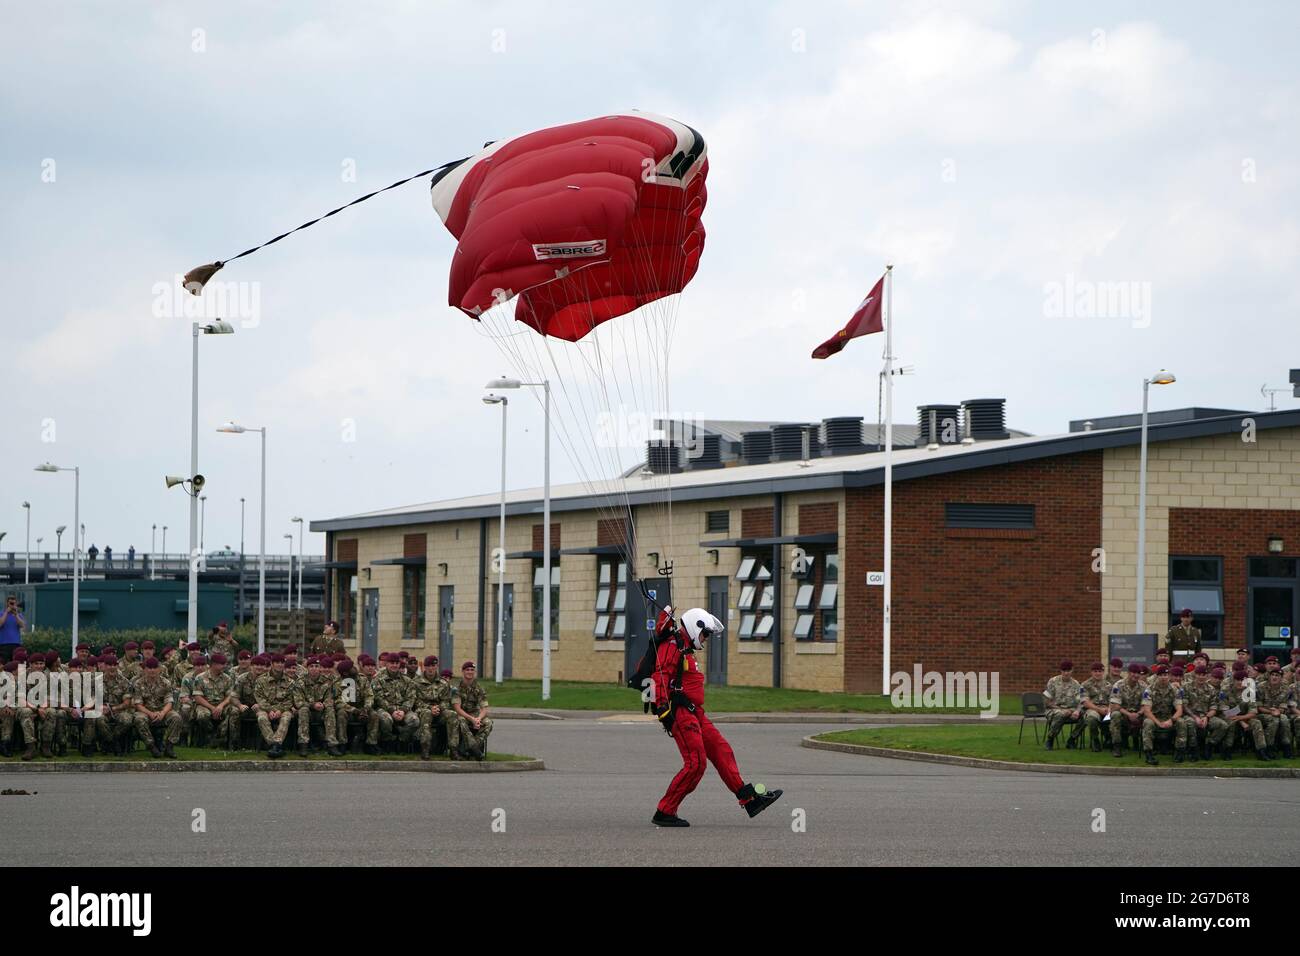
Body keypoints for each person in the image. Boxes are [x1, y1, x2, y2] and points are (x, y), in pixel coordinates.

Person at [650, 607, 783, 827]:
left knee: (721, 749)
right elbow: (660, 676)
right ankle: (665, 811)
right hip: (681, 712)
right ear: (695, 627)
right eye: (705, 634)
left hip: (695, 712)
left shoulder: (685, 647)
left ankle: (749, 799)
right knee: (696, 764)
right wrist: (664, 711)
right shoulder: (672, 646)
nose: (706, 639)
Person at [294, 657, 343, 757]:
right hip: (308, 711)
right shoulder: (300, 682)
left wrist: (323, 704)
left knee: (330, 709)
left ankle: (332, 745)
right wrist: (313, 705)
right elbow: (298, 701)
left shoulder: (327, 682)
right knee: (303, 710)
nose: (314, 668)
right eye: (311, 666)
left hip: (321, 711)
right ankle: (303, 745)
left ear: (320, 668)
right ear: (307, 668)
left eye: (316, 666)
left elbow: (330, 698)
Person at [369, 655, 417, 754]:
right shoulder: (378, 679)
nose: (394, 665)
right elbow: (378, 698)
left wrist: (403, 711)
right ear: (386, 664)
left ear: (399, 664)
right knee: (386, 719)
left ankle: (401, 741)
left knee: (414, 720)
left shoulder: (407, 680)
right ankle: (388, 742)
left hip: (403, 709)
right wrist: (392, 711)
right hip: (384, 709)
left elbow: (411, 697)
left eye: (396, 663)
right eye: (392, 663)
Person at [1219, 666, 1269, 760]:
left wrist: (1241, 718)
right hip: (1228, 716)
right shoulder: (1225, 690)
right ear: (1233, 680)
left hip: (1246, 717)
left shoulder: (1250, 692)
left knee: (1256, 723)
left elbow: (1253, 712)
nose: (1239, 682)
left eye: (1242, 680)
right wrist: (1241, 721)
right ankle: (1227, 749)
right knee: (1231, 723)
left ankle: (1261, 750)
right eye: (1237, 680)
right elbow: (1224, 710)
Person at [253, 654, 297, 758]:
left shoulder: (290, 682)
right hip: (265, 708)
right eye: (277, 662)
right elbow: (259, 697)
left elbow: (290, 699)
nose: (280, 665)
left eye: (282, 663)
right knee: (261, 718)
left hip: (284, 709)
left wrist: (279, 710)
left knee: (286, 717)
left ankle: (276, 745)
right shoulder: (261, 680)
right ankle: (274, 745)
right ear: (272, 664)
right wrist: (270, 710)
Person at [193, 653, 240, 750]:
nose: (224, 666)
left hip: (222, 705)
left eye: (224, 664)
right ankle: (210, 736)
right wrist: (212, 708)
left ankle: (229, 741)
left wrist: (221, 706)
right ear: (213, 664)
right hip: (205, 705)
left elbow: (230, 696)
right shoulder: (200, 678)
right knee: (202, 715)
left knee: (234, 711)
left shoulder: (227, 678)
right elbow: (197, 697)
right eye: (221, 664)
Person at [1140, 665, 1185, 765]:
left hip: (1168, 717)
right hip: (1154, 717)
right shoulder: (1149, 690)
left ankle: (1179, 752)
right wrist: (1158, 723)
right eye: (1161, 675)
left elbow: (1179, 710)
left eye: (1166, 675)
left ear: (1169, 676)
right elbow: (1147, 711)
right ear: (1157, 676)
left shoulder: (1174, 689)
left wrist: (1171, 720)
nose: (1164, 677)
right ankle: (1149, 754)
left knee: (1181, 722)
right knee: (1148, 723)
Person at [1180, 665, 1225, 761]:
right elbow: (1184, 705)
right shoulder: (1186, 687)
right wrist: (1195, 717)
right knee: (1191, 724)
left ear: (1207, 676)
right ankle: (1193, 750)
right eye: (1199, 674)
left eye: (1203, 675)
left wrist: (1207, 717)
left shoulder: (1211, 689)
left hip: (1206, 716)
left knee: (1223, 725)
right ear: (1194, 675)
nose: (1201, 677)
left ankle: (1208, 746)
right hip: (1190, 715)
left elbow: (1214, 707)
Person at [448, 661, 492, 761]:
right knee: (461, 721)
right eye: (467, 670)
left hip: (475, 714)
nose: (470, 672)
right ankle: (474, 748)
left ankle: (473, 747)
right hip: (462, 714)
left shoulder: (479, 688)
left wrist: (478, 719)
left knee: (488, 723)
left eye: (472, 670)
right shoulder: (456, 688)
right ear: (463, 671)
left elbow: (484, 708)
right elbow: (457, 708)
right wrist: (472, 719)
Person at [412, 656, 451, 760]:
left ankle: (454, 750)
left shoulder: (443, 683)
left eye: (433, 665)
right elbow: (415, 700)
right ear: (424, 667)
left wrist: (438, 708)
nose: (430, 668)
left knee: (453, 715)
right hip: (422, 710)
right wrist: (430, 708)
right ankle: (425, 749)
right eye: (428, 666)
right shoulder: (416, 682)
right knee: (427, 713)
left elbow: (446, 700)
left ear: (437, 666)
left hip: (439, 711)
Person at [1043, 661, 1084, 750]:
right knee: (1060, 714)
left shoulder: (1076, 684)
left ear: (1072, 671)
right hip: (1053, 710)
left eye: (1068, 670)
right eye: (1064, 670)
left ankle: (1072, 739)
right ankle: (1050, 739)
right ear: (1060, 671)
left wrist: (1076, 711)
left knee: (1086, 716)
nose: (1066, 673)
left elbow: (1080, 702)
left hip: (1071, 710)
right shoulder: (1053, 681)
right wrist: (1062, 710)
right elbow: (1047, 702)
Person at [1256, 670, 1294, 759]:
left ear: (1281, 678)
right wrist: (1271, 712)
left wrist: (1279, 711)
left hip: (1278, 712)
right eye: (1272, 675)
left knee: (1284, 719)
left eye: (1277, 675)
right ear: (1269, 677)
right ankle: (1270, 747)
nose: (1274, 677)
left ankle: (1286, 746)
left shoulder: (1285, 688)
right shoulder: (1261, 687)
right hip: (1262, 714)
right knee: (1274, 720)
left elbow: (1284, 705)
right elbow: (1258, 707)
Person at [1078, 663, 1110, 752]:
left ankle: (1110, 739)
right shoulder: (1085, 685)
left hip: (1106, 709)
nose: (1097, 673)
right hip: (1092, 709)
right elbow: (1085, 702)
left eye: (1100, 671)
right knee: (1092, 718)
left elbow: (1113, 699)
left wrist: (1109, 709)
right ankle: (1095, 740)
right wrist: (1099, 709)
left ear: (1103, 672)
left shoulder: (1108, 685)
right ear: (1091, 672)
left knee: (1115, 716)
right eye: (1095, 671)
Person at [0, 594, 24, 664]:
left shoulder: (19, 615)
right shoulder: (1, 614)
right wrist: (6, 612)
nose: (12, 604)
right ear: (7, 603)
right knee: (3, 664)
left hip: (16, 644)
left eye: (13, 603)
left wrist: (16, 615)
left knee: (16, 664)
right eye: (10, 603)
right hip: (3, 644)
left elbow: (22, 625)